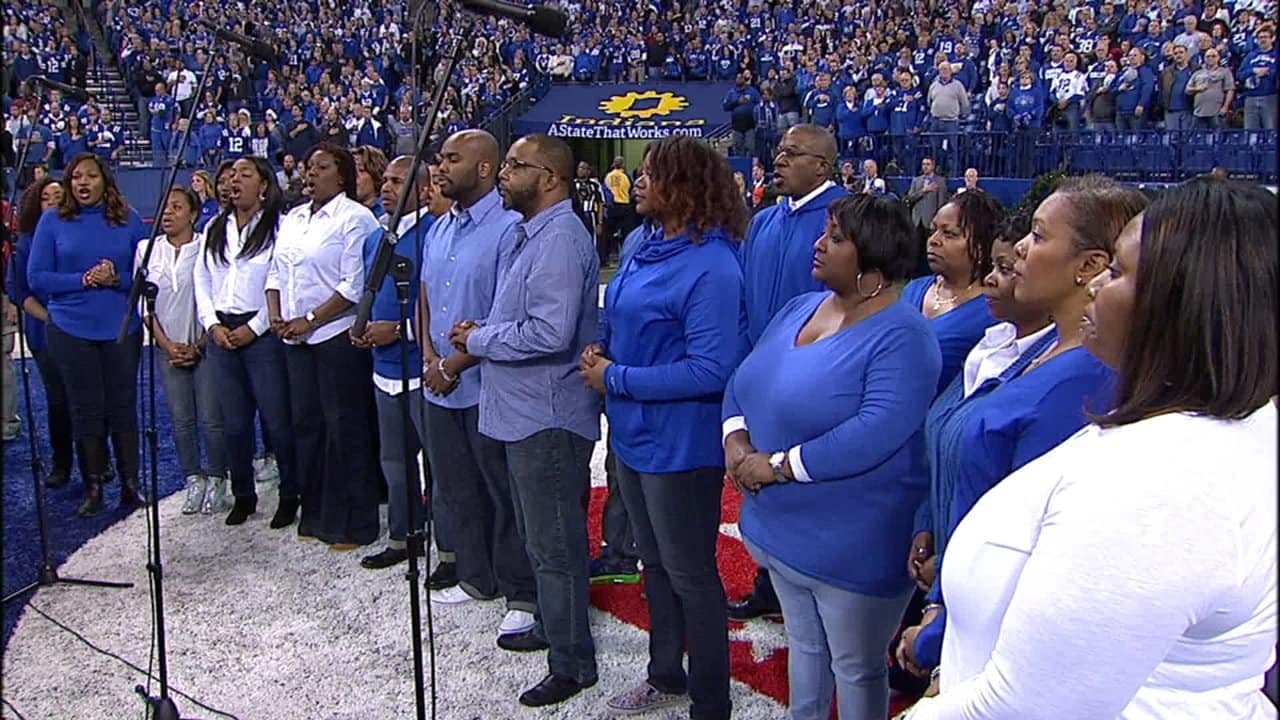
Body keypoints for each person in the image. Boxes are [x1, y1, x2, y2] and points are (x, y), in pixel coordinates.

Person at [910, 178, 1277, 720]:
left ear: (1182, 302)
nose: (1099, 286)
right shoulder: (1213, 424)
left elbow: (1027, 705)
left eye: (1120, 272)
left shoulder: (1159, 480)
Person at [901, 178, 1145, 687]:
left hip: (994, 644)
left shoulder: (1088, 381)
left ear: (1089, 266)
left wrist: (940, 624)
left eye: (1037, 236)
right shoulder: (1041, 348)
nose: (1021, 251)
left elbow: (1025, 548)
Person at [723, 194, 941, 720]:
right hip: (780, 533)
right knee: (806, 647)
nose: (819, 244)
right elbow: (742, 380)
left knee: (855, 666)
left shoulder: (905, 337)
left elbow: (873, 432)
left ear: (874, 260)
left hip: (850, 544)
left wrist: (775, 466)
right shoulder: (802, 306)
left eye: (837, 238)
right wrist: (736, 441)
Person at [580, 137, 748, 720]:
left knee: (691, 574)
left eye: (652, 173)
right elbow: (618, 308)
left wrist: (617, 376)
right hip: (630, 432)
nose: (638, 181)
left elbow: (711, 368)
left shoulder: (714, 264)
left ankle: (711, 701)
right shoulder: (639, 243)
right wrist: (604, 341)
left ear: (684, 187)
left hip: (681, 444)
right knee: (653, 562)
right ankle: (664, 673)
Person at [450, 133, 600, 707]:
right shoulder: (525, 233)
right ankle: (555, 627)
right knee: (541, 540)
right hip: (520, 413)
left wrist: (480, 339)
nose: (504, 174)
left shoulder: (559, 238)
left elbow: (550, 332)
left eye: (516, 166)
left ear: (551, 178)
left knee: (556, 543)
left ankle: (573, 662)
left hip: (548, 416)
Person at [418, 130, 537, 637]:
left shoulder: (511, 230)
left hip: (487, 383)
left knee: (504, 492)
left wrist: (454, 365)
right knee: (456, 486)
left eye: (451, 159)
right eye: (439, 159)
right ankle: (476, 576)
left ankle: (521, 591)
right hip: (437, 379)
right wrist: (430, 357)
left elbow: (504, 313)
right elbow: (424, 295)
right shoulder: (438, 228)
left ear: (484, 169)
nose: (440, 168)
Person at [732, 124, 848, 622]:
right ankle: (769, 583)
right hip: (762, 373)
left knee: (809, 479)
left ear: (821, 166)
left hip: (818, 376)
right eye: (778, 152)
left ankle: (819, 589)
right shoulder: (763, 221)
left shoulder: (845, 219)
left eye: (792, 154)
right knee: (762, 478)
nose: (778, 160)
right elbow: (741, 292)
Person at [267, 142, 382, 549]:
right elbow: (276, 271)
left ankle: (356, 523)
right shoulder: (294, 217)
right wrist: (278, 315)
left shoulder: (357, 218)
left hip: (335, 338)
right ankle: (315, 515)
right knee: (307, 427)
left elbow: (353, 286)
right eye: (307, 166)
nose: (309, 173)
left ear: (343, 174)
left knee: (344, 429)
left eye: (321, 166)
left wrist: (311, 319)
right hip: (295, 340)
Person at [27, 153, 146, 517]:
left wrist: (116, 280)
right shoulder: (52, 221)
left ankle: (130, 486)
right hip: (70, 328)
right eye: (75, 177)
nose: (82, 183)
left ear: (105, 181)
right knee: (85, 407)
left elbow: (146, 276)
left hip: (120, 327)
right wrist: (83, 280)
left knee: (122, 405)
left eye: (90, 176)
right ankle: (93, 488)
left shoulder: (130, 221)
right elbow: (37, 278)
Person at [195, 156, 299, 526]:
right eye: (230, 176)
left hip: (263, 334)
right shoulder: (213, 228)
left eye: (244, 174)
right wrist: (211, 325)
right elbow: (202, 281)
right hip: (221, 333)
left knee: (277, 418)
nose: (234, 181)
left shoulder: (281, 228)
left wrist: (254, 329)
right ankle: (243, 494)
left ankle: (290, 493)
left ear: (264, 185)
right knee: (235, 422)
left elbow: (281, 281)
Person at [351, 156, 436, 570]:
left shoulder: (434, 233)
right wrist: (361, 325)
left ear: (422, 190)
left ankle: (451, 544)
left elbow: (442, 304)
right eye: (385, 180)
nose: (386, 187)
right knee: (394, 459)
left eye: (398, 181)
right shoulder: (374, 238)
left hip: (424, 368)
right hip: (383, 368)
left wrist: (400, 331)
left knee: (438, 462)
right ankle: (404, 535)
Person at [137, 187, 228, 514]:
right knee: (181, 419)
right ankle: (193, 477)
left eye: (176, 207)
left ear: (193, 213)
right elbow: (143, 305)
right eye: (164, 208)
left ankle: (218, 477)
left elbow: (216, 297)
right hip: (168, 347)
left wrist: (199, 344)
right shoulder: (146, 250)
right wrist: (167, 345)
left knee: (211, 417)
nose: (168, 214)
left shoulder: (207, 247)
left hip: (205, 345)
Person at [6, 178, 75, 482]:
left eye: (60, 197)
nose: (54, 203)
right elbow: (18, 290)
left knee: (88, 397)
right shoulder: (25, 243)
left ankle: (96, 463)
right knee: (58, 396)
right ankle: (62, 463)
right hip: (44, 329)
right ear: (37, 204)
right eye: (47, 198)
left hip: (82, 325)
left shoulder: (81, 235)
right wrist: (50, 318)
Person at [900, 191, 999, 398]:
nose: (934, 240)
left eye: (949, 234)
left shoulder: (991, 312)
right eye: (933, 230)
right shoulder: (912, 290)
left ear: (981, 248)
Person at [905, 157, 950, 279]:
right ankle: (914, 275)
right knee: (915, 250)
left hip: (930, 221)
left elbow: (941, 203)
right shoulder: (916, 181)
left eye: (928, 164)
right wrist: (924, 191)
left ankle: (929, 274)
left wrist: (937, 222)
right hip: (917, 221)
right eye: (923, 164)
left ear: (933, 166)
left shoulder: (940, 181)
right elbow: (909, 199)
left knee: (930, 249)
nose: (925, 166)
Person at [572, 161, 608, 266]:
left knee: (592, 240)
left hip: (591, 215)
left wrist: (600, 222)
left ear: (589, 171)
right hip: (576, 215)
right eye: (580, 168)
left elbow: (600, 203)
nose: (581, 170)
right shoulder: (572, 185)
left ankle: (592, 262)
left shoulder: (594, 185)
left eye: (584, 168)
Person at [352, 144, 389, 222]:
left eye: (361, 170)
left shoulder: (389, 212)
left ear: (376, 174)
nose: (353, 176)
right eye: (351, 171)